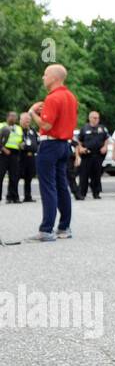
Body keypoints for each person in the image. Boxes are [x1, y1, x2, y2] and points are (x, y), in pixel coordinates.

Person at [26, 63, 78, 242]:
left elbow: (46, 125)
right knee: (62, 186)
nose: (43, 77)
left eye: (45, 74)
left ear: (54, 78)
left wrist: (32, 112)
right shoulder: (70, 96)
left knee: (48, 186)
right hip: (64, 145)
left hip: (49, 145)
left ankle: (46, 229)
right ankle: (64, 227)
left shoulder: (52, 98)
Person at [75, 111, 111, 200]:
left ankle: (96, 193)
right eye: (94, 118)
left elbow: (107, 138)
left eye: (97, 118)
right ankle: (82, 193)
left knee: (97, 175)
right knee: (84, 175)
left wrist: (105, 147)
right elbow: (78, 140)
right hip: (87, 155)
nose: (96, 120)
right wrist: (81, 148)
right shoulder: (84, 128)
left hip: (98, 155)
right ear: (90, 118)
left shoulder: (102, 128)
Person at [1, 111, 22, 203]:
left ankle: (13, 196)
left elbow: (20, 139)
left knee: (14, 176)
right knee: (0, 175)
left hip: (14, 154)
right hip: (3, 153)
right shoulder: (1, 125)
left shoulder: (18, 128)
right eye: (12, 116)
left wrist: (21, 145)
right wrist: (3, 149)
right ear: (7, 117)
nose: (14, 118)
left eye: (15, 116)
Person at [17, 112, 39, 202]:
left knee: (29, 177)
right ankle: (14, 196)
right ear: (20, 120)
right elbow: (19, 144)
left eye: (29, 120)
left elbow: (37, 142)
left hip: (31, 157)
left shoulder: (32, 130)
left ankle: (28, 196)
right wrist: (24, 147)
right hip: (21, 157)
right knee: (16, 177)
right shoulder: (18, 130)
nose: (27, 122)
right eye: (26, 120)